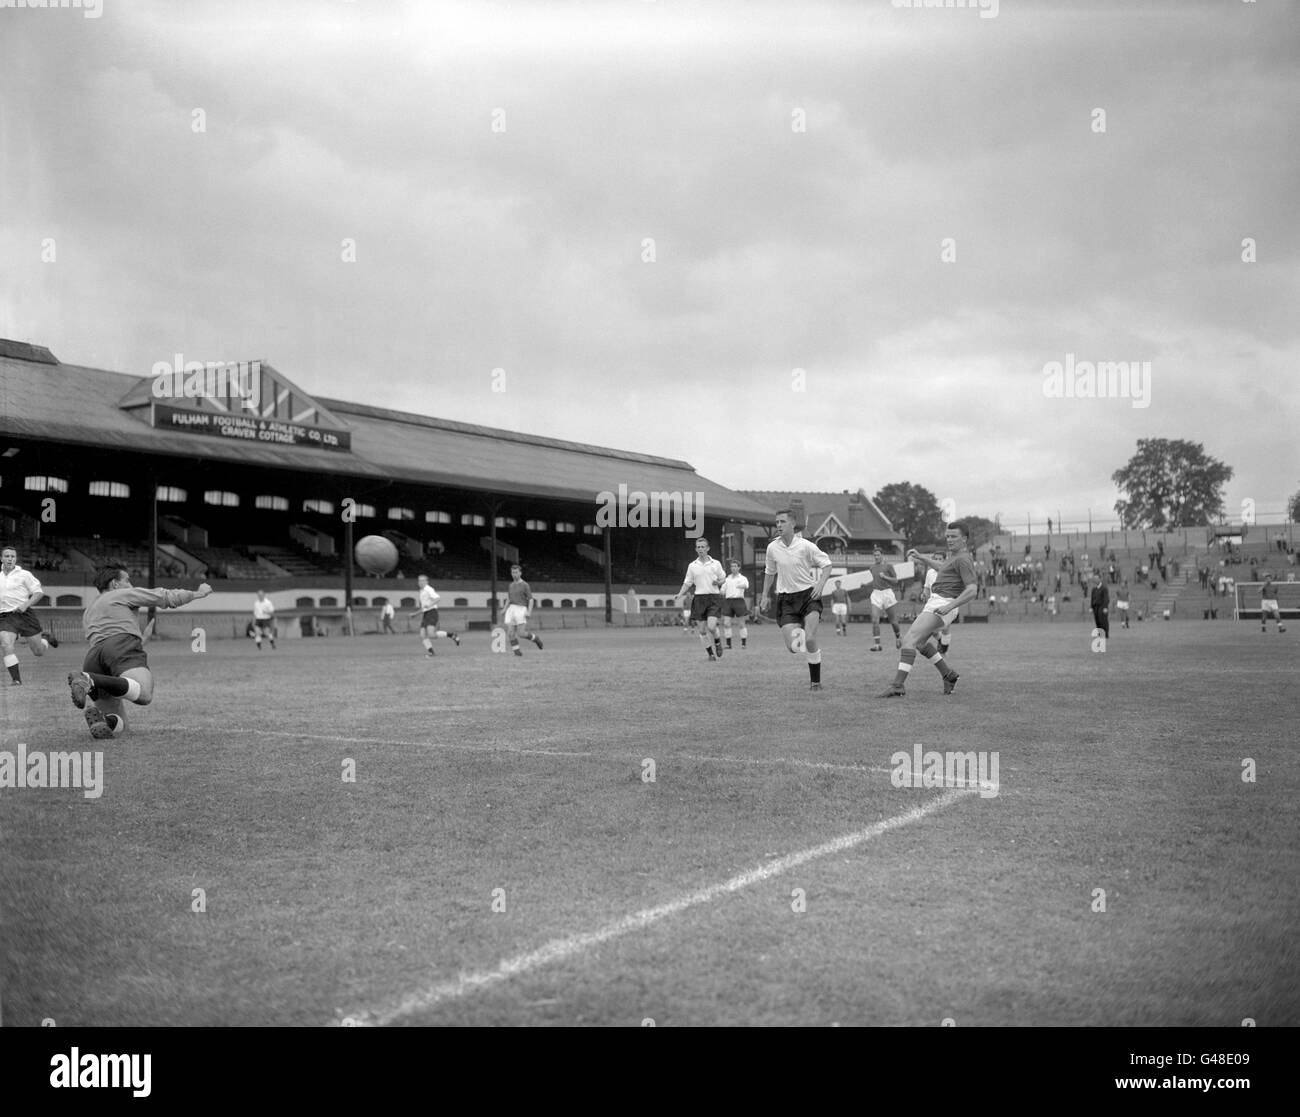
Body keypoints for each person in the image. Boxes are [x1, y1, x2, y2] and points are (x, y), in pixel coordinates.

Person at [68, 567, 212, 739]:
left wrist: (141, 641)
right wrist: (198, 593)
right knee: (144, 693)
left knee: (122, 726)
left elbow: (105, 644)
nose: (131, 584)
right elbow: (165, 596)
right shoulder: (120, 594)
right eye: (127, 580)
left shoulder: (89, 610)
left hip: (93, 658)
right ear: (115, 583)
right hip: (119, 646)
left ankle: (103, 720)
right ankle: (88, 680)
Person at [879, 522, 974, 698]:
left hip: (942, 603)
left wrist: (949, 606)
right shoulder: (954, 557)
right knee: (921, 644)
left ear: (964, 539)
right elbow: (941, 568)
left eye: (954, 536)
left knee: (908, 641)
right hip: (937, 602)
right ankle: (948, 674)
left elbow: (972, 590)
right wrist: (922, 557)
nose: (949, 539)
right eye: (947, 536)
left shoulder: (963, 559)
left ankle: (898, 685)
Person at [759, 510, 832, 690]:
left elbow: (827, 564)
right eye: (776, 522)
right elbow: (769, 572)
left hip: (808, 596)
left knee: (809, 638)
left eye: (782, 522)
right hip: (786, 601)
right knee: (794, 647)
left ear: (792, 524)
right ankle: (799, 630)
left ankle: (816, 682)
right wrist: (764, 595)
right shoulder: (772, 548)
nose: (778, 525)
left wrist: (820, 584)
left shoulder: (806, 546)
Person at [0, 546, 60, 685]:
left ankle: (45, 638)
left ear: (16, 559)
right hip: (5, 616)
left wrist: (25, 604)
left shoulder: (24, 574)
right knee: (5, 643)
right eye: (7, 556)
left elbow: (38, 592)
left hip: (24, 615)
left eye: (13, 556)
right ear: (1, 558)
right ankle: (16, 680)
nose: (10, 559)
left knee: (38, 651)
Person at [676, 538, 726, 661]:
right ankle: (710, 654)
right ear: (696, 549)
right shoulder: (692, 566)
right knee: (702, 630)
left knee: (712, 626)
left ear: (708, 548)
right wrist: (680, 594)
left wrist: (718, 582)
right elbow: (687, 583)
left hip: (713, 598)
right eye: (698, 547)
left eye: (703, 547)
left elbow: (723, 578)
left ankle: (718, 642)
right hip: (699, 599)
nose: (701, 549)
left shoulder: (716, 563)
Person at [409, 574, 460, 656]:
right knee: (422, 635)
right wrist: (415, 614)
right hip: (426, 614)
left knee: (432, 635)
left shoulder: (428, 589)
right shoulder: (421, 591)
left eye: (422, 580)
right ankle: (431, 653)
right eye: (419, 580)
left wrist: (429, 605)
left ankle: (452, 635)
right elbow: (424, 607)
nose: (420, 582)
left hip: (432, 613)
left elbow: (437, 598)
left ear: (426, 581)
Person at [865, 545, 903, 653]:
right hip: (876, 594)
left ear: (882, 555)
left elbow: (895, 581)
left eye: (878, 555)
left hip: (887, 594)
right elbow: (875, 580)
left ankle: (898, 637)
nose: (876, 557)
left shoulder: (889, 566)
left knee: (893, 622)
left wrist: (885, 577)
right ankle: (877, 645)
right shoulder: (871, 568)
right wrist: (866, 585)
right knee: (874, 620)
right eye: (874, 555)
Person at [503, 564, 543, 655]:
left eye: (516, 572)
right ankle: (517, 652)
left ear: (520, 573)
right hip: (511, 609)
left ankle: (535, 638)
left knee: (521, 633)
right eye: (513, 572)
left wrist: (529, 611)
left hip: (521, 609)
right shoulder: (511, 585)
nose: (514, 574)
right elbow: (508, 598)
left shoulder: (525, 585)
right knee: (510, 633)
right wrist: (505, 608)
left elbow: (531, 599)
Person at [721, 560, 750, 649]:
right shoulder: (727, 579)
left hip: (739, 601)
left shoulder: (742, 578)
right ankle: (728, 644)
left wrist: (741, 586)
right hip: (728, 601)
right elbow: (722, 591)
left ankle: (743, 644)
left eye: (735, 566)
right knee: (726, 623)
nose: (733, 568)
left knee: (741, 623)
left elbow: (746, 585)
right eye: (732, 566)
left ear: (739, 567)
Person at [1090, 572, 1110, 640]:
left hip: (1102, 607)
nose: (1095, 580)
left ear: (1099, 579)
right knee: (1097, 621)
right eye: (1094, 578)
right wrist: (1091, 607)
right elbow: (1092, 599)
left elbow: (1106, 599)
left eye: (1096, 578)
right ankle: (1100, 633)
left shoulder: (1104, 588)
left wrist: (1105, 607)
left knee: (1103, 621)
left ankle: (1106, 634)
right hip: (1096, 607)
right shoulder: (1094, 589)